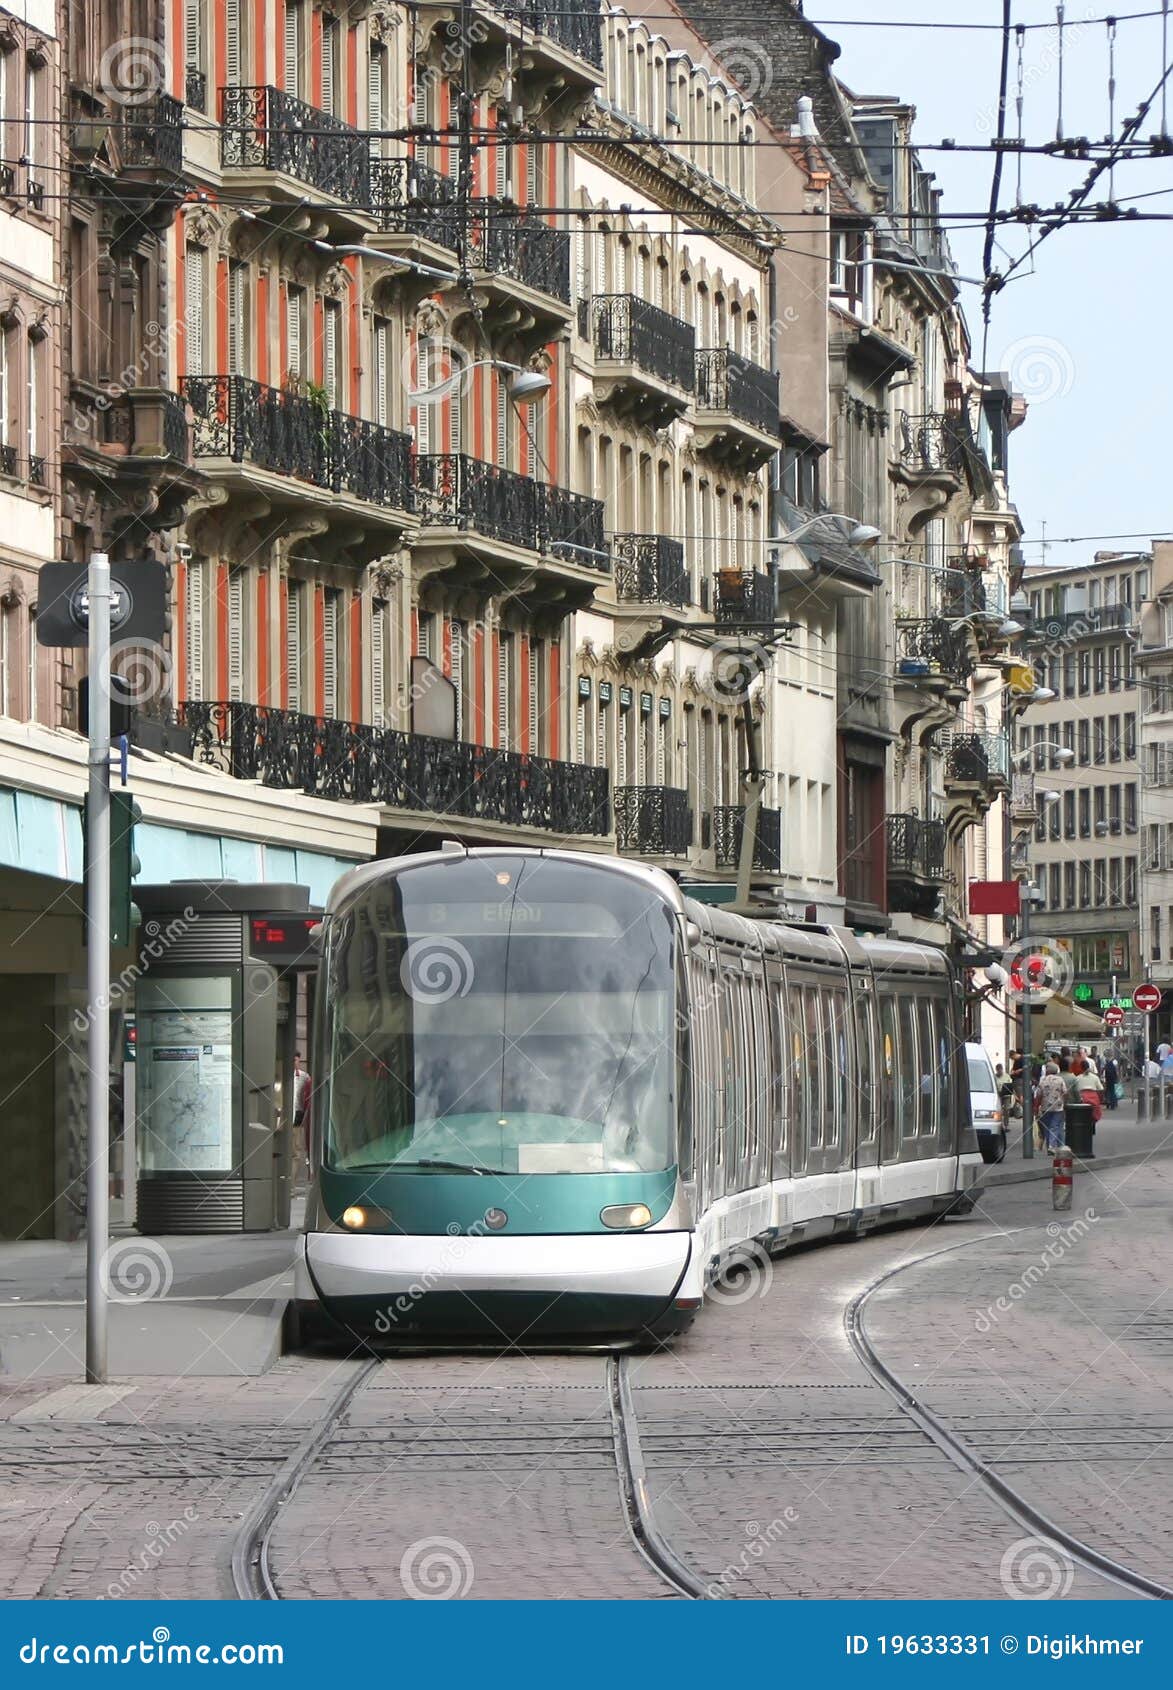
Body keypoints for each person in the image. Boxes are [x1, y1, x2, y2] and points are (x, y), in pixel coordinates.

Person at [1035, 1061, 1068, 1152]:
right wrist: (1064, 1102)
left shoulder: (1043, 1080)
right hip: (1058, 1107)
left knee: (1047, 1127)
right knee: (1055, 1126)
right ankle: (1051, 1146)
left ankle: (1049, 1146)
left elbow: (1039, 1095)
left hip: (1045, 1107)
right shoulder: (1060, 1080)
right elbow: (1065, 1092)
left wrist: (1036, 1106)